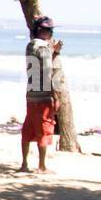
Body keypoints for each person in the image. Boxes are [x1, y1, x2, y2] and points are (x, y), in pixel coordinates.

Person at [21, 15, 60, 173]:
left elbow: (39, 66)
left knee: (28, 128)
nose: (51, 34)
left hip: (31, 92)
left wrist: (54, 52)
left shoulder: (30, 45)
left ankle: (24, 164)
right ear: (44, 31)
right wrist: (56, 96)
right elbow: (48, 73)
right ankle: (42, 166)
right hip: (43, 95)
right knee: (44, 129)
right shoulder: (43, 48)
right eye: (50, 30)